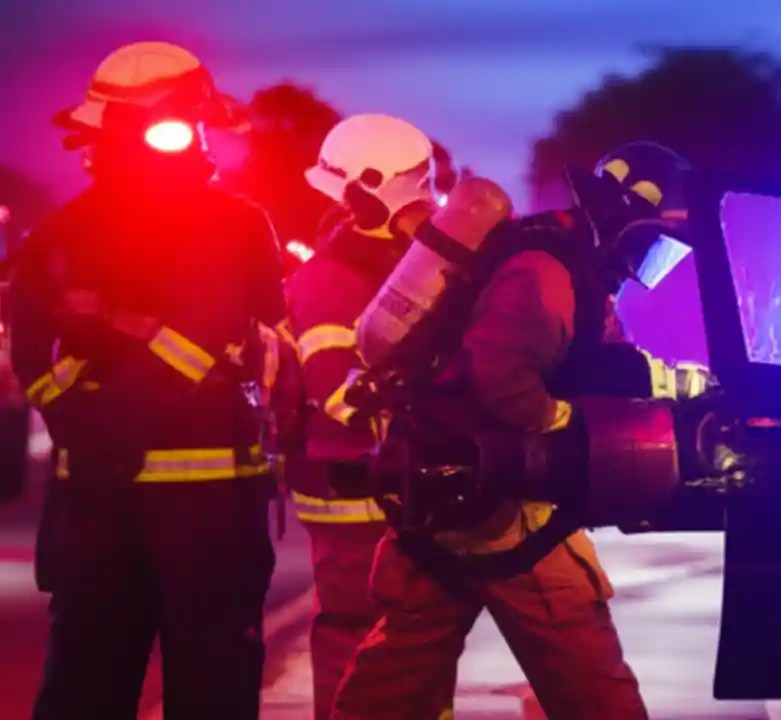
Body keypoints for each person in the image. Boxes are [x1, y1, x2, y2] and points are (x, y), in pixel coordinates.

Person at [331, 141, 698, 720]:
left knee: (396, 677)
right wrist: (567, 426)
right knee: (590, 680)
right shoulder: (546, 271)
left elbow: (601, 355)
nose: (653, 259)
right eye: (657, 243)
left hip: (444, 502)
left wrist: (680, 385)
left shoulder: (570, 263)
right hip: (506, 512)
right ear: (629, 220)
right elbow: (499, 375)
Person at [11, 41, 286, 719]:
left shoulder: (62, 230)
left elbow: (34, 360)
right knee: (203, 685)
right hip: (200, 511)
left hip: (104, 501)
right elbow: (29, 350)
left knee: (89, 679)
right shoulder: (237, 225)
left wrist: (90, 419)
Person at [284, 113, 455, 719]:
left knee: (416, 644)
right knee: (360, 640)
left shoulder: (428, 266)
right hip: (354, 492)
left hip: (408, 488)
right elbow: (339, 394)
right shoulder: (329, 278)